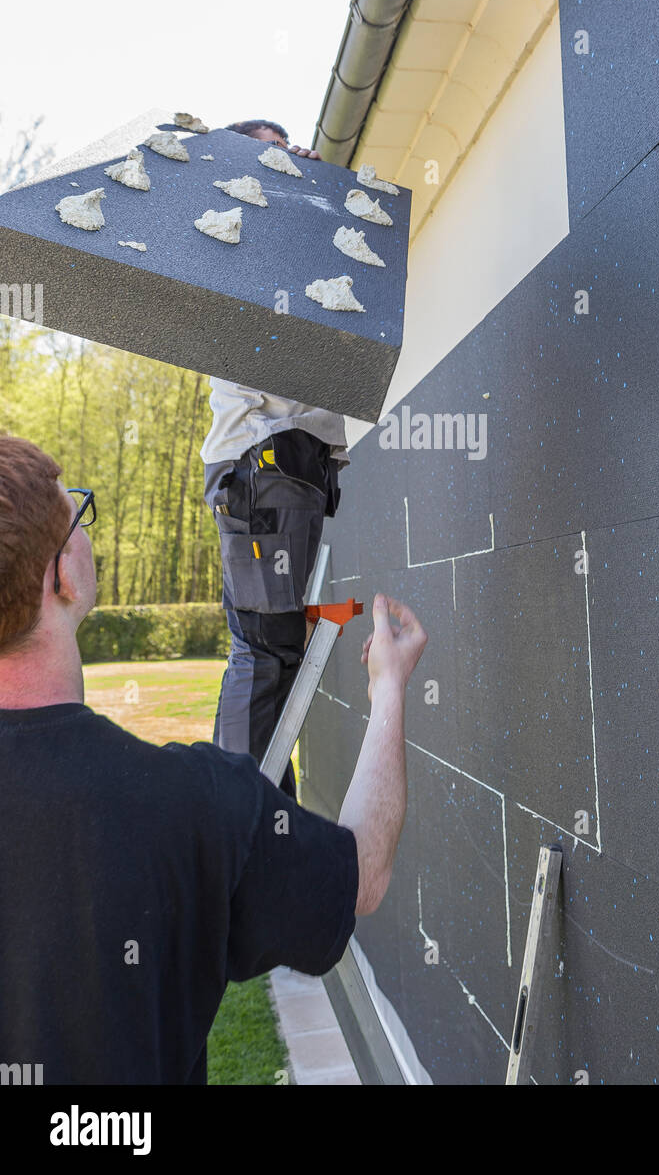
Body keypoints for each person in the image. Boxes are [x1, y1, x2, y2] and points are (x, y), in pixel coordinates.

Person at [0, 434, 427, 1084]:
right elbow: (361, 871)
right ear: (61, 574)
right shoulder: (185, 804)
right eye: (77, 513)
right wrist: (391, 687)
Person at [202, 118, 347, 798]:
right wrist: (294, 195)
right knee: (264, 651)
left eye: (291, 147)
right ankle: (241, 821)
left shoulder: (277, 242)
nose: (289, 156)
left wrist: (309, 194)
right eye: (273, 149)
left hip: (283, 469)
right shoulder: (240, 243)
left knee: (273, 651)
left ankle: (263, 816)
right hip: (266, 465)